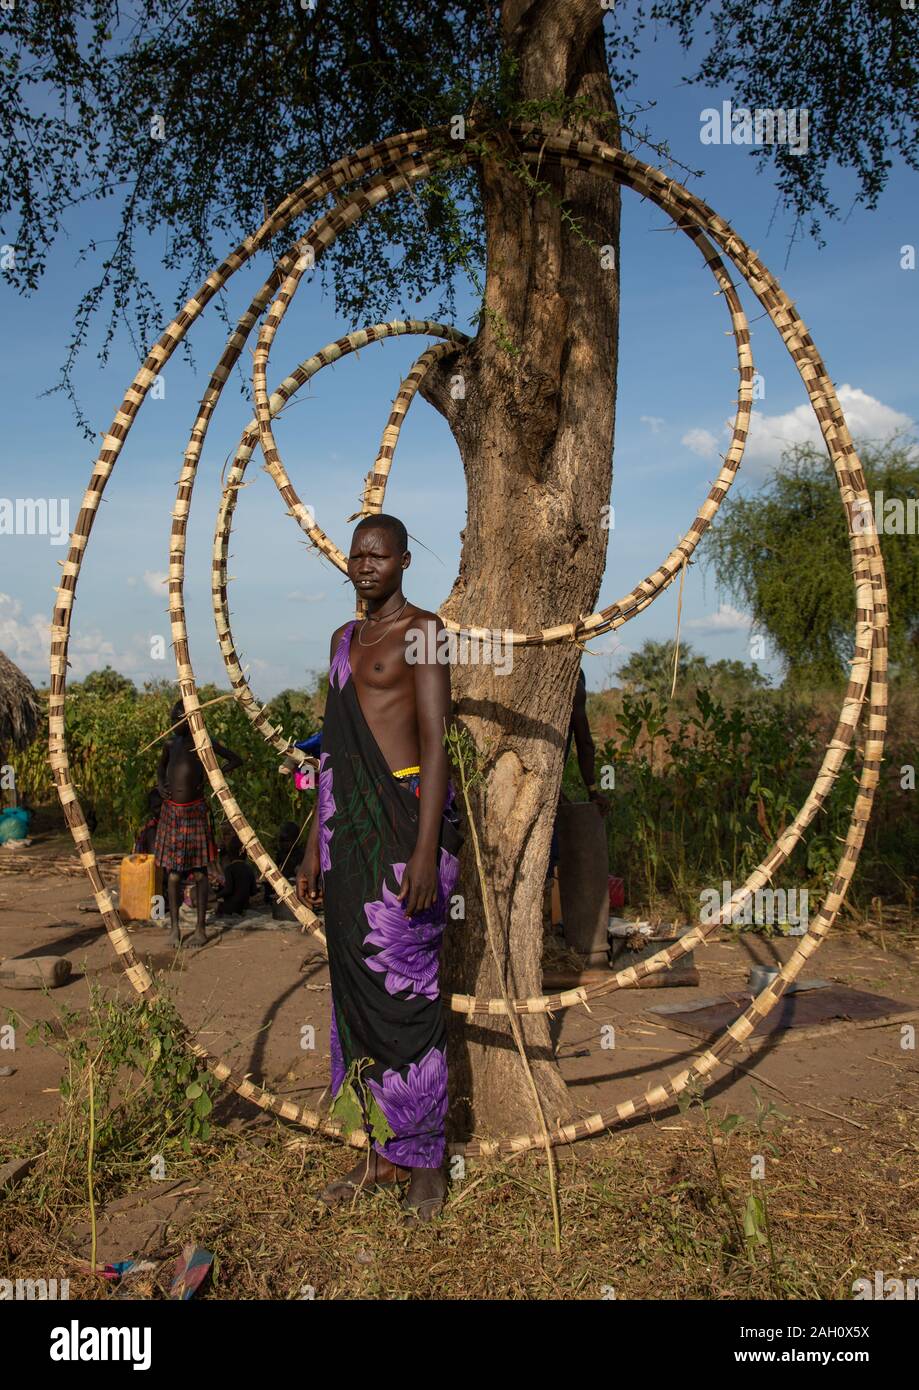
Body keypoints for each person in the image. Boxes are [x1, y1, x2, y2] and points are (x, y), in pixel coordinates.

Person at [297, 513, 463, 1223]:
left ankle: (426, 1160)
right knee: (356, 995)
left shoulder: (423, 631)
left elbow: (435, 742)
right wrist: (312, 845)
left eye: (378, 555)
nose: (364, 565)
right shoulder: (342, 639)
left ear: (402, 561)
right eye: (356, 555)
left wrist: (426, 851)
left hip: (406, 829)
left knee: (410, 990)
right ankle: (378, 1151)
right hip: (347, 838)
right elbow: (333, 753)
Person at [154, 700, 243, 948]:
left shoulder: (203, 743)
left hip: (195, 813)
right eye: (172, 720)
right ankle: (174, 928)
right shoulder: (170, 744)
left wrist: (215, 776)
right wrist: (161, 786)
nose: (173, 725)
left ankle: (201, 929)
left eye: (177, 720)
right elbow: (161, 770)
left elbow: (236, 760)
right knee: (173, 873)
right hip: (172, 812)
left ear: (190, 720)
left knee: (201, 872)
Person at [546, 666, 611, 882]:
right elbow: (584, 742)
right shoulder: (573, 679)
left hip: (539, 785)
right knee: (549, 855)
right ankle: (550, 911)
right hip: (544, 791)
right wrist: (592, 790)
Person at [215, 833, 258, 916]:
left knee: (215, 905)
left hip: (231, 907)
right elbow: (253, 891)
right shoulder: (249, 869)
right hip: (245, 906)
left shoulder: (230, 869)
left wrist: (215, 896)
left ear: (230, 854)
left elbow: (228, 890)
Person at [133, 788, 162, 854]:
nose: (160, 810)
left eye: (161, 805)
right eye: (156, 807)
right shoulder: (151, 830)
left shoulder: (170, 825)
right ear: (151, 809)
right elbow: (154, 858)